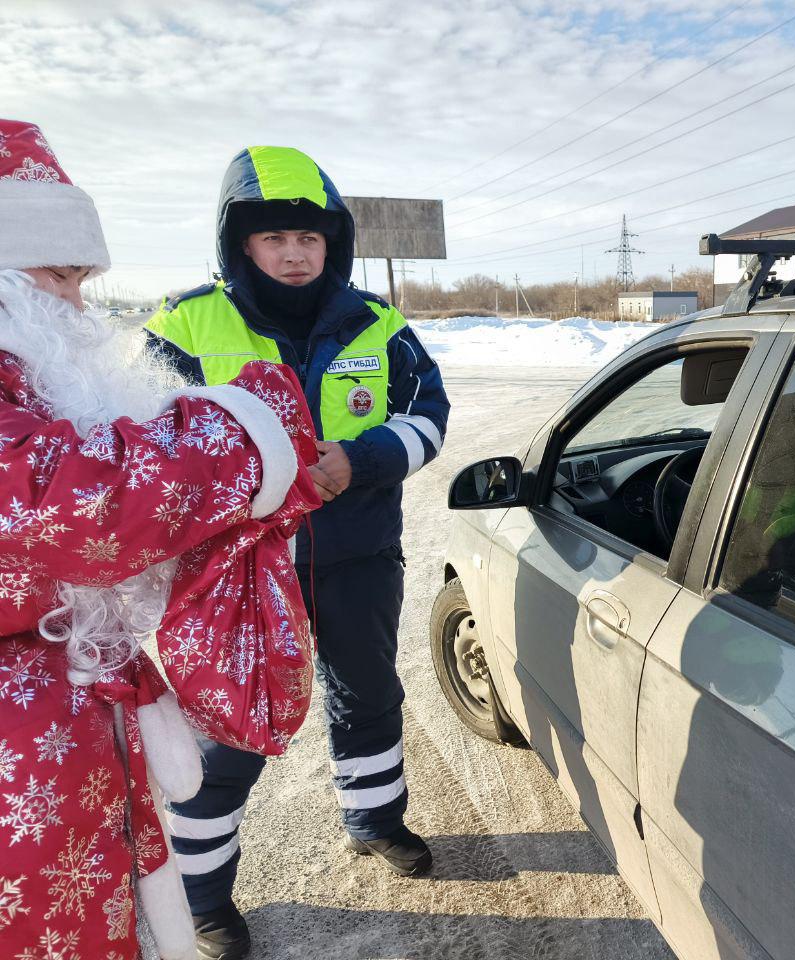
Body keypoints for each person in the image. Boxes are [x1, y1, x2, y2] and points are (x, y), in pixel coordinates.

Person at [0, 121, 318, 959]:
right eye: (58, 274)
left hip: (60, 729)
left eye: (81, 276)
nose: (74, 301)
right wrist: (247, 430)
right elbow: (65, 504)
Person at [145, 145, 449, 958]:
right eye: (274, 237)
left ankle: (374, 820)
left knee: (369, 693)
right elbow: (141, 447)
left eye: (309, 239)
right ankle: (203, 898)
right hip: (238, 572)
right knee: (226, 730)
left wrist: (366, 458)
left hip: (358, 554)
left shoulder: (378, 322)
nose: (293, 253)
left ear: (334, 245)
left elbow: (430, 415)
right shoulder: (181, 325)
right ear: (239, 243)